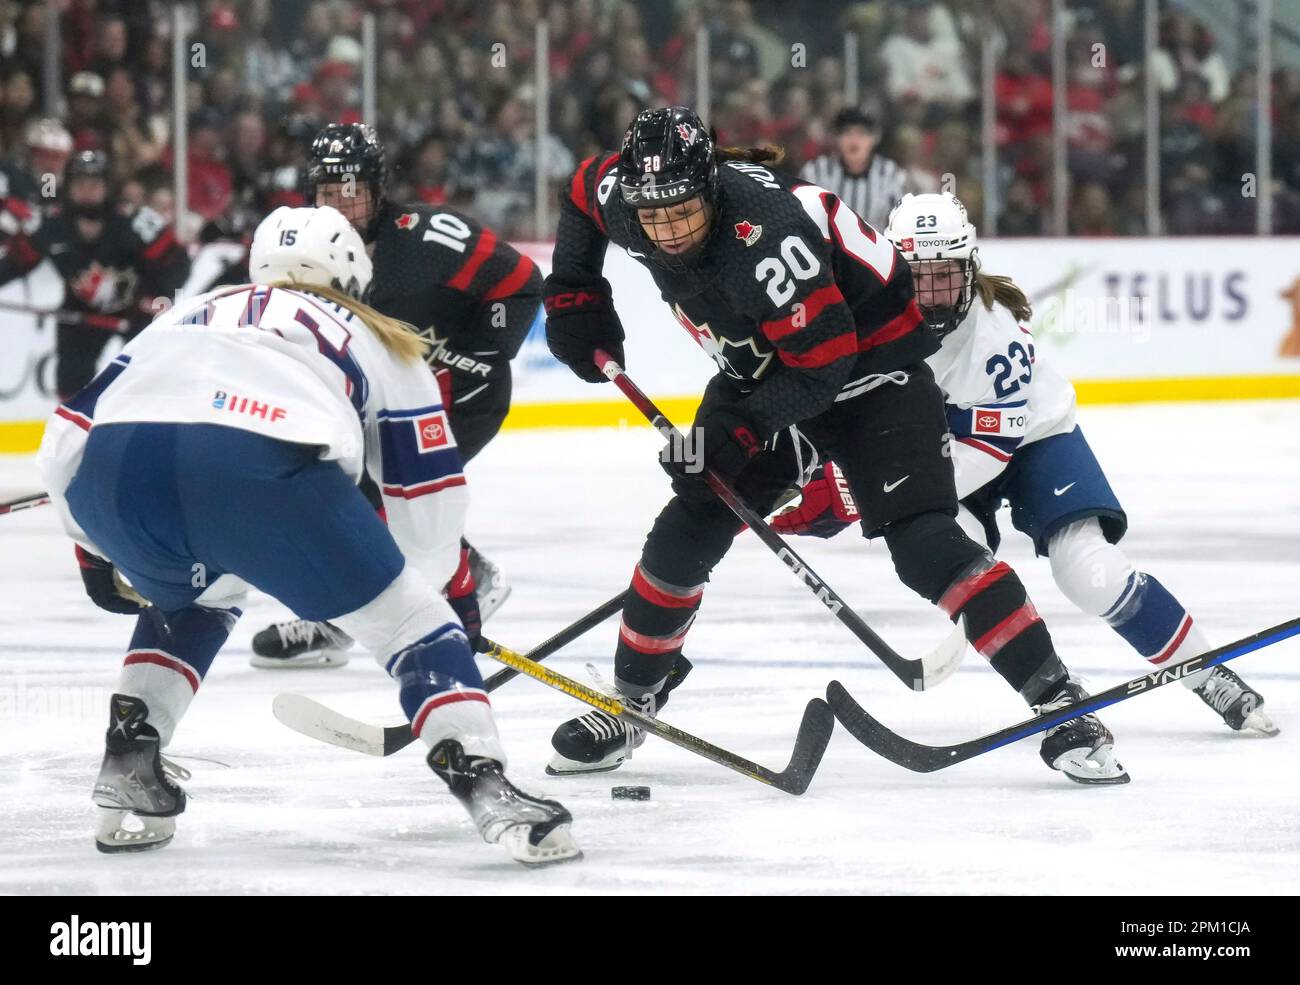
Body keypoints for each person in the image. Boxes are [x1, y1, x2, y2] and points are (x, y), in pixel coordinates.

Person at [541, 106, 1128, 785]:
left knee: (926, 546)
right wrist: (575, 288)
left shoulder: (764, 238)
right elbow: (581, 193)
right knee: (685, 529)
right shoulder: (631, 193)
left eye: (683, 211)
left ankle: (1061, 700)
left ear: (711, 187)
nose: (669, 231)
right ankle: (634, 701)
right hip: (764, 368)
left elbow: (822, 366)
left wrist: (739, 431)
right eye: (655, 217)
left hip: (870, 375)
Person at [35, 206, 580, 865]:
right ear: (353, 271)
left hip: (112, 471)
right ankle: (484, 780)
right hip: (261, 467)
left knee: (193, 597)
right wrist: (438, 611)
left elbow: (66, 433)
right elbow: (429, 508)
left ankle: (129, 752)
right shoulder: (375, 331)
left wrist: (93, 543)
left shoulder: (190, 310)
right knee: (413, 621)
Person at [774, 191, 1277, 736]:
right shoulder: (865, 311)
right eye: (918, 275)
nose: (931, 294)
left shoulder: (994, 338)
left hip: (1033, 442)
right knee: (952, 561)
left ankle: (1205, 672)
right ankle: (1051, 688)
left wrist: (858, 493)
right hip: (938, 452)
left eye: (945, 277)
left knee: (1090, 572)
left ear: (970, 268)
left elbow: (986, 455)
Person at [250, 123, 542, 668]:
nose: (337, 205)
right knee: (342, 498)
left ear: (378, 188)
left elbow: (522, 280)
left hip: (461, 396)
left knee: (381, 500)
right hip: (381, 402)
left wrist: (487, 347)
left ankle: (360, 612)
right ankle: (376, 603)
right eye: (325, 192)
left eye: (350, 190)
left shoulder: (428, 237)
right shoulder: (309, 247)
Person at [0, 149, 190, 399]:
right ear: (68, 186)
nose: (87, 191)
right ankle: (76, 432)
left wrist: (155, 299)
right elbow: (15, 262)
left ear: (108, 187)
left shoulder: (137, 222)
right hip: (81, 312)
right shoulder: (49, 224)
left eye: (95, 184)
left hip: (136, 312)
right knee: (71, 385)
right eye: (80, 183)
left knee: (148, 381)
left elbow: (178, 263)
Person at [799, 107, 908, 232]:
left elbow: (902, 221)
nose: (854, 140)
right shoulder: (815, 172)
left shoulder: (891, 174)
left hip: (876, 249)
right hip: (826, 249)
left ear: (874, 138)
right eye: (847, 133)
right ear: (836, 138)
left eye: (861, 133)